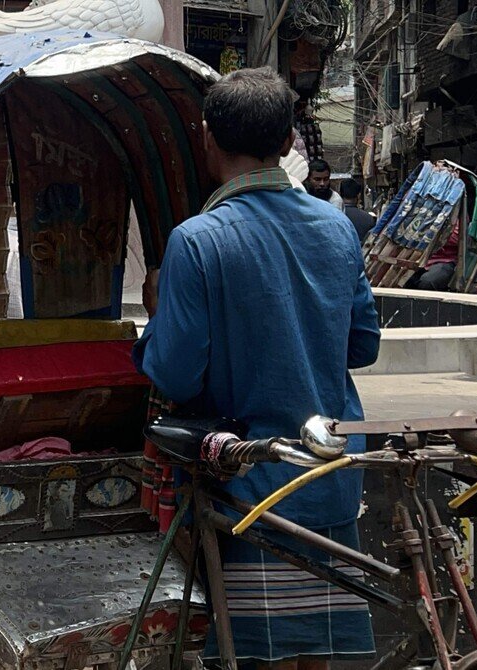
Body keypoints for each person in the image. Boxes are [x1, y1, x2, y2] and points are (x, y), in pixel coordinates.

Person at [135, 68, 380, 668]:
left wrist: (156, 314)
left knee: (254, 655)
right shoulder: (337, 229)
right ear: (290, 141)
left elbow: (173, 374)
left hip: (247, 483)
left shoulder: (197, 241)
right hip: (330, 477)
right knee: (313, 655)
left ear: (207, 139)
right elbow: (363, 345)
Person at [407, 223, 458, 291]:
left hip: (442, 260)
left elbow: (456, 238)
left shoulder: (456, 217)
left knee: (428, 282)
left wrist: (435, 234)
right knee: (404, 280)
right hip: (415, 258)